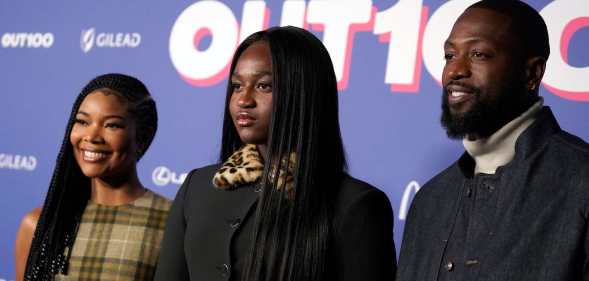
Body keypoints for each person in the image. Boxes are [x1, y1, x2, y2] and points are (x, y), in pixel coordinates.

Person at [154, 26, 396, 281]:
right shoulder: (198, 187)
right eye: (237, 86)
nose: (243, 100)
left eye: (264, 86)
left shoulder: (355, 205)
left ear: (304, 93)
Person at [396, 1, 589, 281]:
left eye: (478, 54)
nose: (455, 71)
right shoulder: (430, 201)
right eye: (450, 55)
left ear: (532, 73)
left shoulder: (581, 181)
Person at [14, 73, 171, 281]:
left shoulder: (172, 222)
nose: (92, 137)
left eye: (112, 125)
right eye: (82, 121)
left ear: (142, 136)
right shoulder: (39, 225)